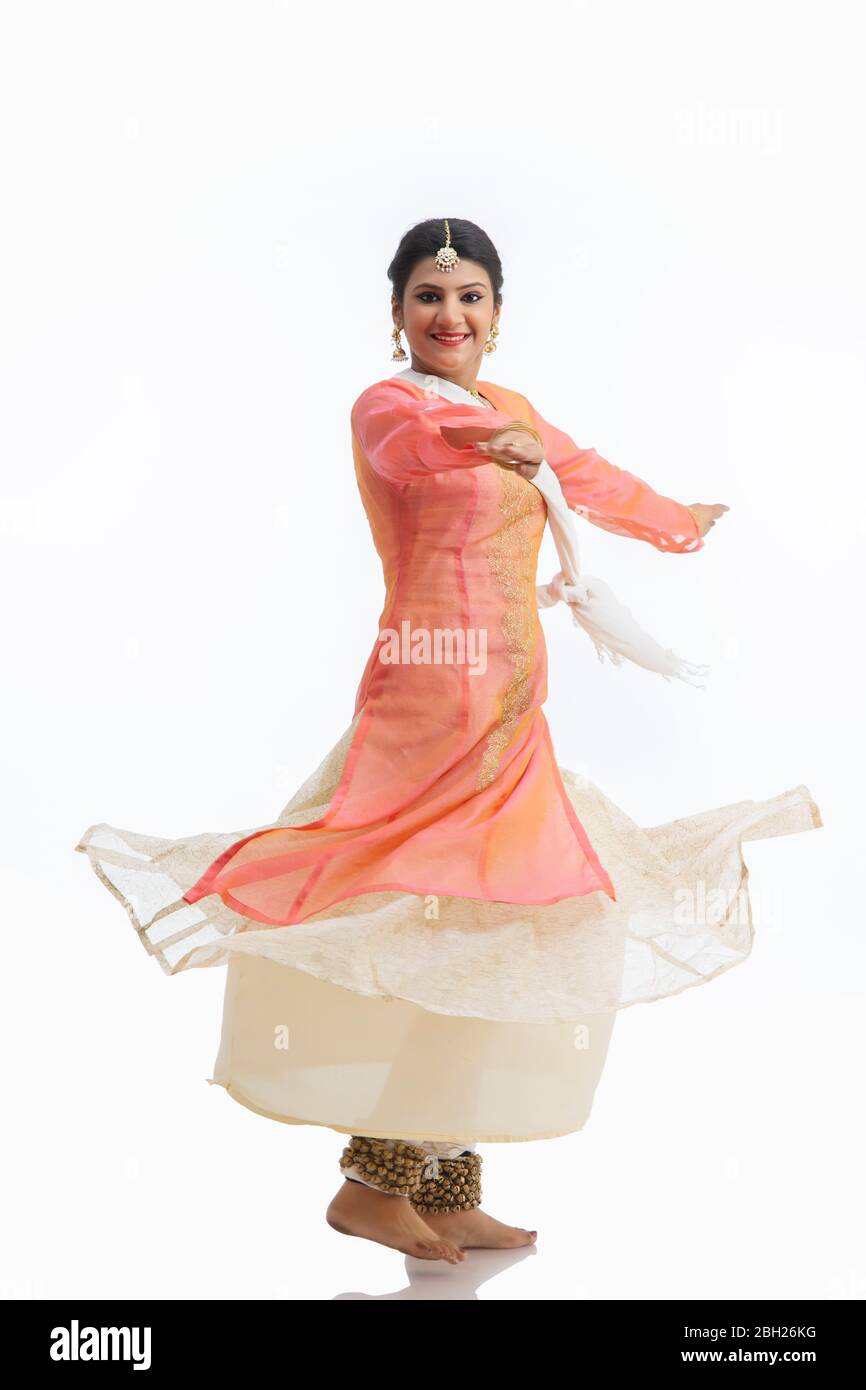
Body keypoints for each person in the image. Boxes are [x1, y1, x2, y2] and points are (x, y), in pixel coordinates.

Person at [75, 217, 823, 1266]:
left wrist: (677, 521)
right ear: (395, 315)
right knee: (438, 923)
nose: (450, 315)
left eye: (470, 296)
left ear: (498, 315)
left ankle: (445, 1181)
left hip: (509, 704)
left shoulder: (509, 408)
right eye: (428, 296)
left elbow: (584, 472)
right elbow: (413, 452)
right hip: (430, 704)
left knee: (510, 930)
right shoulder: (390, 407)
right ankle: (371, 1181)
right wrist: (487, 442)